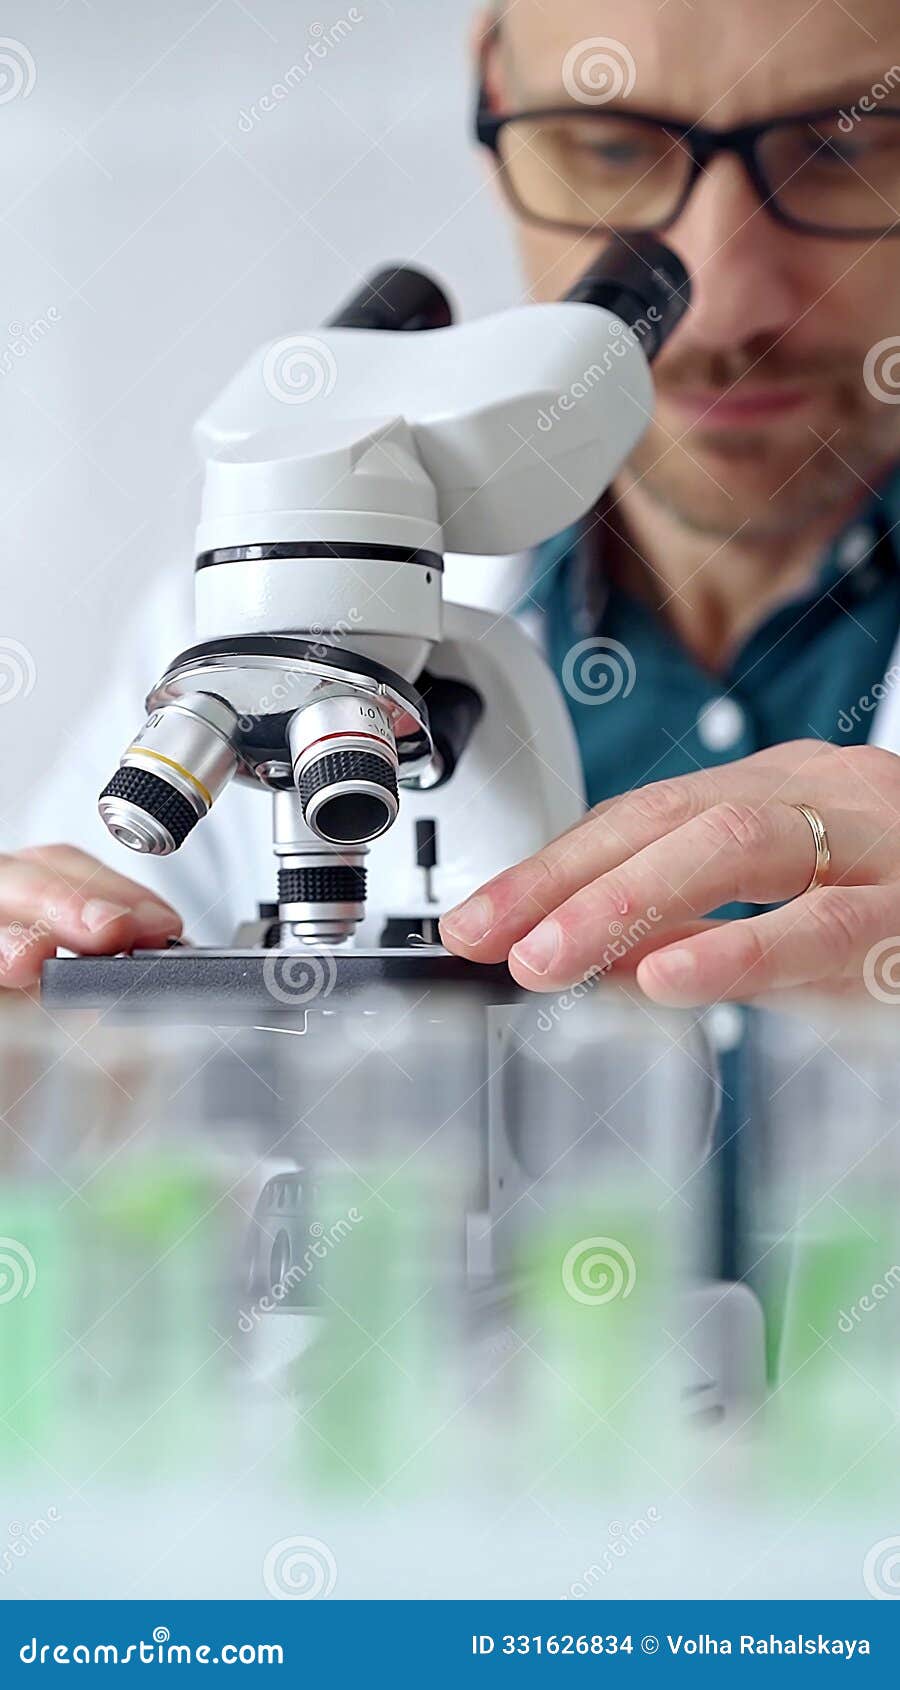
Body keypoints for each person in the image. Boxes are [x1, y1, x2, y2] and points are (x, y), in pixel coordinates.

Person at [5, 0, 900, 1010]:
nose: (728, 301)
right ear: (494, 102)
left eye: (848, 147)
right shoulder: (233, 619)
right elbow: (120, 1111)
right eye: (610, 146)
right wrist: (37, 1078)